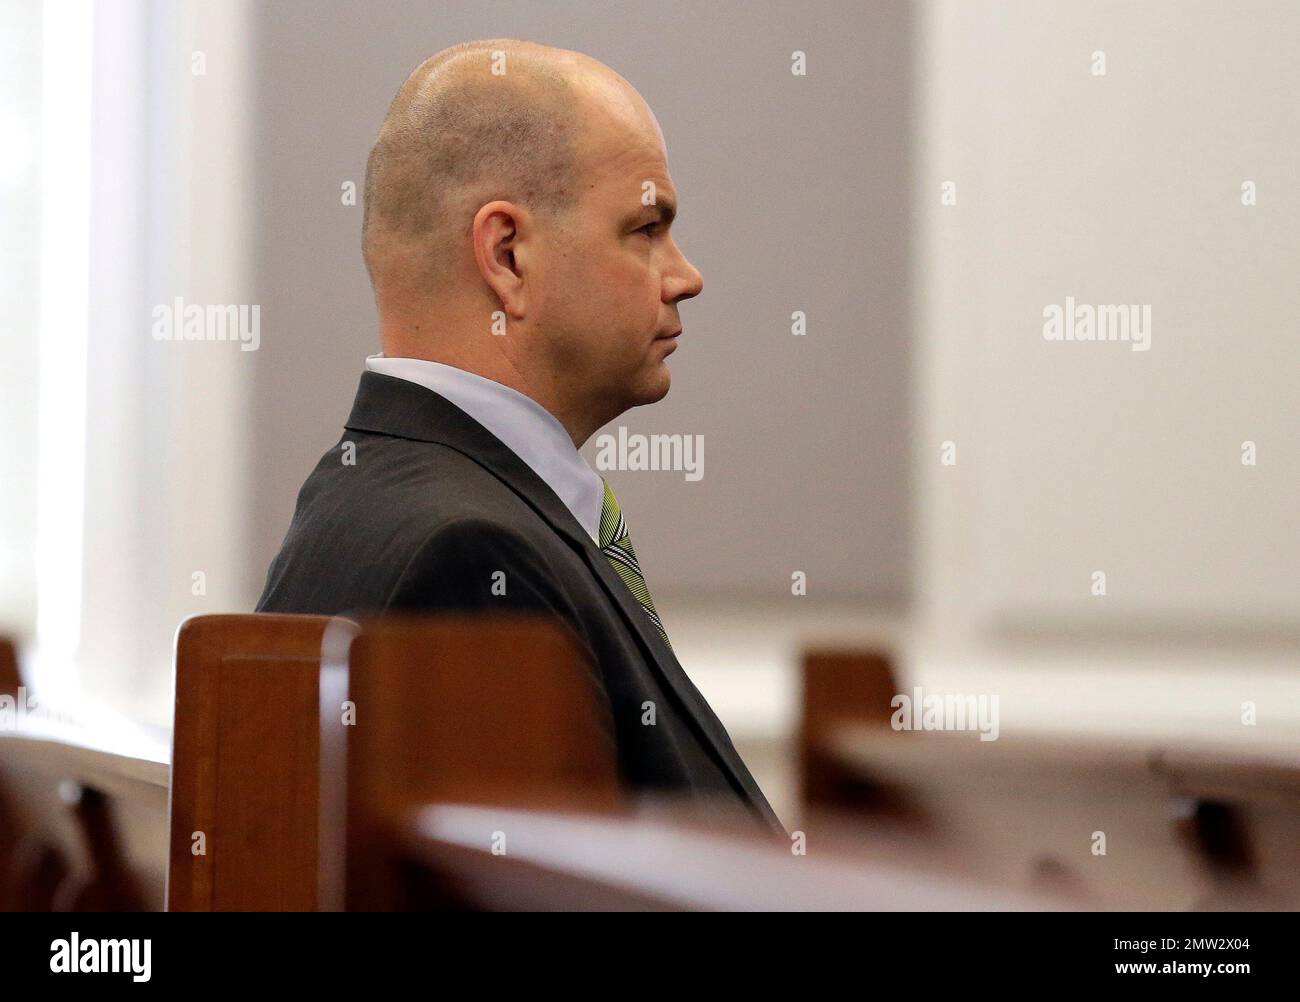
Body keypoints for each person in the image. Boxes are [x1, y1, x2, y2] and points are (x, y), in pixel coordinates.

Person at [257, 38, 783, 836]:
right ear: (508, 256)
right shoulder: (467, 554)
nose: (686, 276)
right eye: (645, 228)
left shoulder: (375, 496)